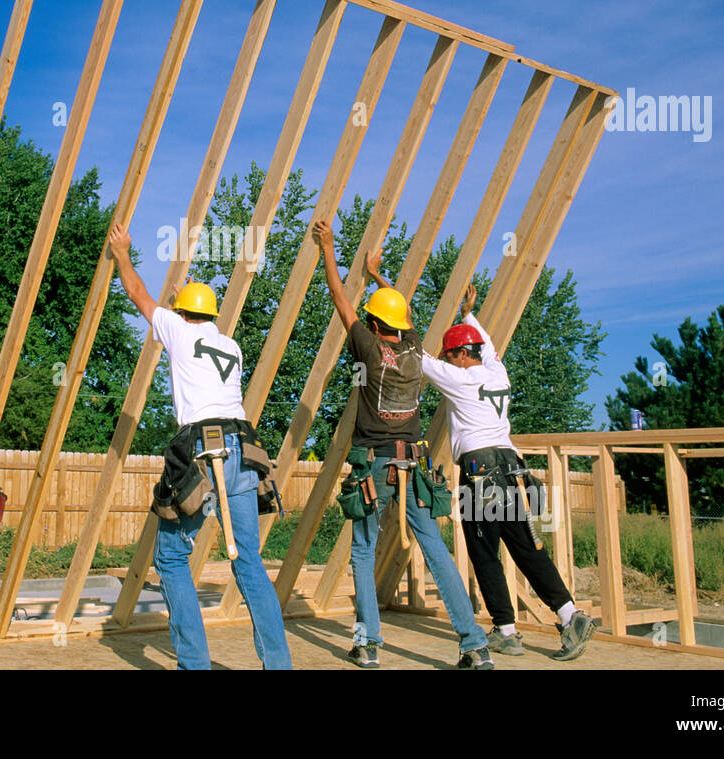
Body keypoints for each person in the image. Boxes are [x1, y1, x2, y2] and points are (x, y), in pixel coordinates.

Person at [107, 223, 291, 670]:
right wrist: (183, 299)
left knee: (171, 556)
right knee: (248, 559)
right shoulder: (229, 345)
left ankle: (194, 664)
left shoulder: (176, 329)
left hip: (201, 449)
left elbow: (137, 294)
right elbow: (192, 323)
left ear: (181, 313)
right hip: (244, 449)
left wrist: (122, 256)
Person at [312, 221, 493, 669]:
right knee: (434, 548)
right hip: (414, 466)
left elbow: (339, 299)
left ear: (374, 324)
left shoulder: (368, 348)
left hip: (374, 466)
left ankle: (368, 644)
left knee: (362, 548)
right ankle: (474, 645)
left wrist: (328, 250)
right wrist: (379, 278)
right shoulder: (414, 348)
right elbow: (400, 315)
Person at [421, 282, 595, 661]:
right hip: (512, 469)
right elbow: (487, 343)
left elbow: (417, 356)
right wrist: (468, 313)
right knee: (525, 547)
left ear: (460, 354)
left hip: (480, 471)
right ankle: (569, 616)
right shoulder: (497, 372)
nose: (448, 361)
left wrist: (384, 286)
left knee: (484, 551)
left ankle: (506, 631)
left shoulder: (461, 377)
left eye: (452, 355)